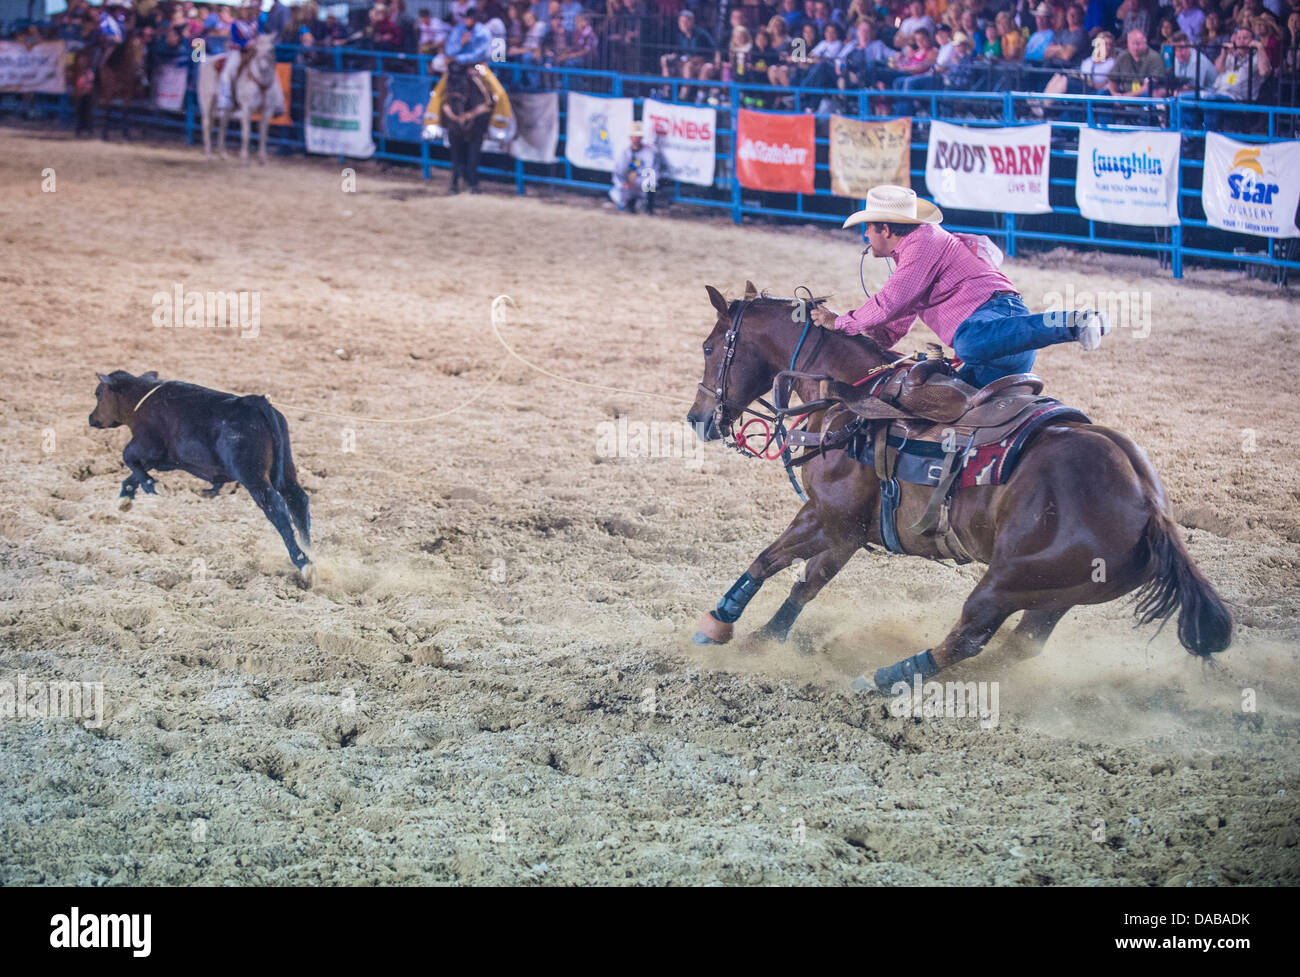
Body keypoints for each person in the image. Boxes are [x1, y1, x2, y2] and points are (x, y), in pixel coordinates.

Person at [808, 186, 1108, 388]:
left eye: (868, 228)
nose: (865, 236)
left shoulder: (921, 244)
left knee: (966, 341)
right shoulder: (918, 253)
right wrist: (855, 345)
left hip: (990, 327)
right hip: (999, 347)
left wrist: (839, 322)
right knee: (947, 397)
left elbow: (889, 303)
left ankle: (1074, 322)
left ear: (885, 229)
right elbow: (893, 324)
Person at [609, 120, 663, 213]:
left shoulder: (649, 152)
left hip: (642, 180)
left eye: (638, 137)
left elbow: (652, 170)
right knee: (619, 190)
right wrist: (625, 182)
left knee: (651, 183)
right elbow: (618, 171)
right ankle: (629, 205)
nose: (636, 139)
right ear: (630, 137)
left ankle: (648, 207)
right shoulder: (625, 153)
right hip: (629, 183)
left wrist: (640, 178)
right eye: (634, 136)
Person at [1107, 28, 1167, 95]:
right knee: (1103, 93)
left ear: (1145, 43)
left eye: (1138, 44)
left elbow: (1149, 86)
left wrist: (1125, 97)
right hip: (1124, 95)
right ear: (1128, 44)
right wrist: (1114, 94)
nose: (1135, 47)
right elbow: (1112, 79)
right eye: (1133, 43)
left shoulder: (1155, 58)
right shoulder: (1122, 56)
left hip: (1146, 96)